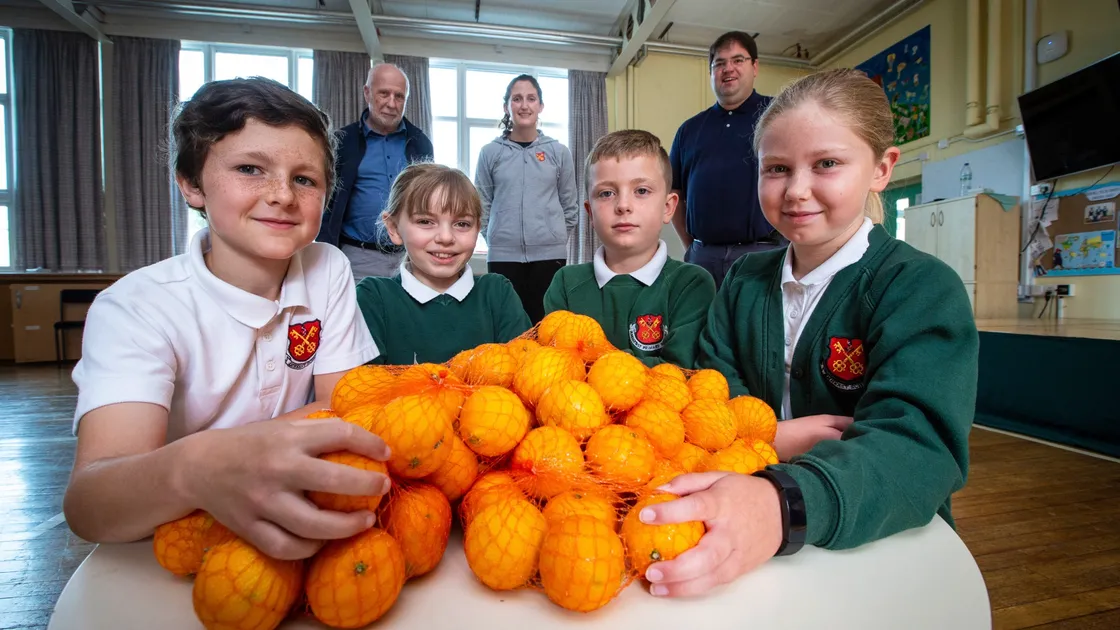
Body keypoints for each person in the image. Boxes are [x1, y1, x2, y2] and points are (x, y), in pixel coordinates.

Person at [638, 69, 978, 597]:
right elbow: (710, 398)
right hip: (740, 529)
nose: (796, 190)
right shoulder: (742, 283)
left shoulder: (920, 288)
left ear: (881, 168)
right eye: (776, 168)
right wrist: (775, 438)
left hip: (875, 545)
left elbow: (915, 448)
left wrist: (784, 502)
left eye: (826, 164)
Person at [63, 78, 387, 561]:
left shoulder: (328, 268)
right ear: (192, 184)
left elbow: (346, 412)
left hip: (297, 520)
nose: (282, 194)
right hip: (171, 543)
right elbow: (91, 505)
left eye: (305, 178)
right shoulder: (135, 306)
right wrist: (195, 466)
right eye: (250, 168)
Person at [543, 130, 716, 367]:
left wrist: (594, 362)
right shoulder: (565, 284)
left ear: (668, 207)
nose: (623, 205)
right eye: (606, 193)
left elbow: (679, 372)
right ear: (590, 212)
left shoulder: (691, 284)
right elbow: (554, 368)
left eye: (641, 191)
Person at [356, 163, 531, 364]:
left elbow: (525, 376)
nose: (446, 237)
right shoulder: (374, 298)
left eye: (462, 224)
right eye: (425, 221)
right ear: (394, 228)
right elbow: (365, 387)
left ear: (477, 228)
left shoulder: (497, 293)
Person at [669, 31, 784, 289]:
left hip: (764, 254)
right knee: (701, 327)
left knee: (756, 328)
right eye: (719, 63)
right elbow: (674, 191)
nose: (728, 69)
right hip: (702, 257)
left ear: (755, 66)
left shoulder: (779, 116)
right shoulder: (689, 130)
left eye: (737, 60)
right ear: (711, 72)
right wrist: (692, 246)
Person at [474, 74, 578, 324]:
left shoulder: (558, 152)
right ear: (506, 106)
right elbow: (481, 204)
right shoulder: (490, 153)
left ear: (540, 106)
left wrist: (553, 236)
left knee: (545, 326)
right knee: (507, 326)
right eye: (517, 99)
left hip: (548, 256)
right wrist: (496, 236)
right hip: (502, 255)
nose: (524, 105)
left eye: (531, 98)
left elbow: (570, 206)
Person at [317, 63, 434, 281]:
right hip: (355, 257)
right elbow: (326, 201)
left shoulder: (420, 143)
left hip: (407, 258)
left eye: (399, 96)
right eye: (384, 94)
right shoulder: (342, 141)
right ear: (367, 93)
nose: (391, 103)